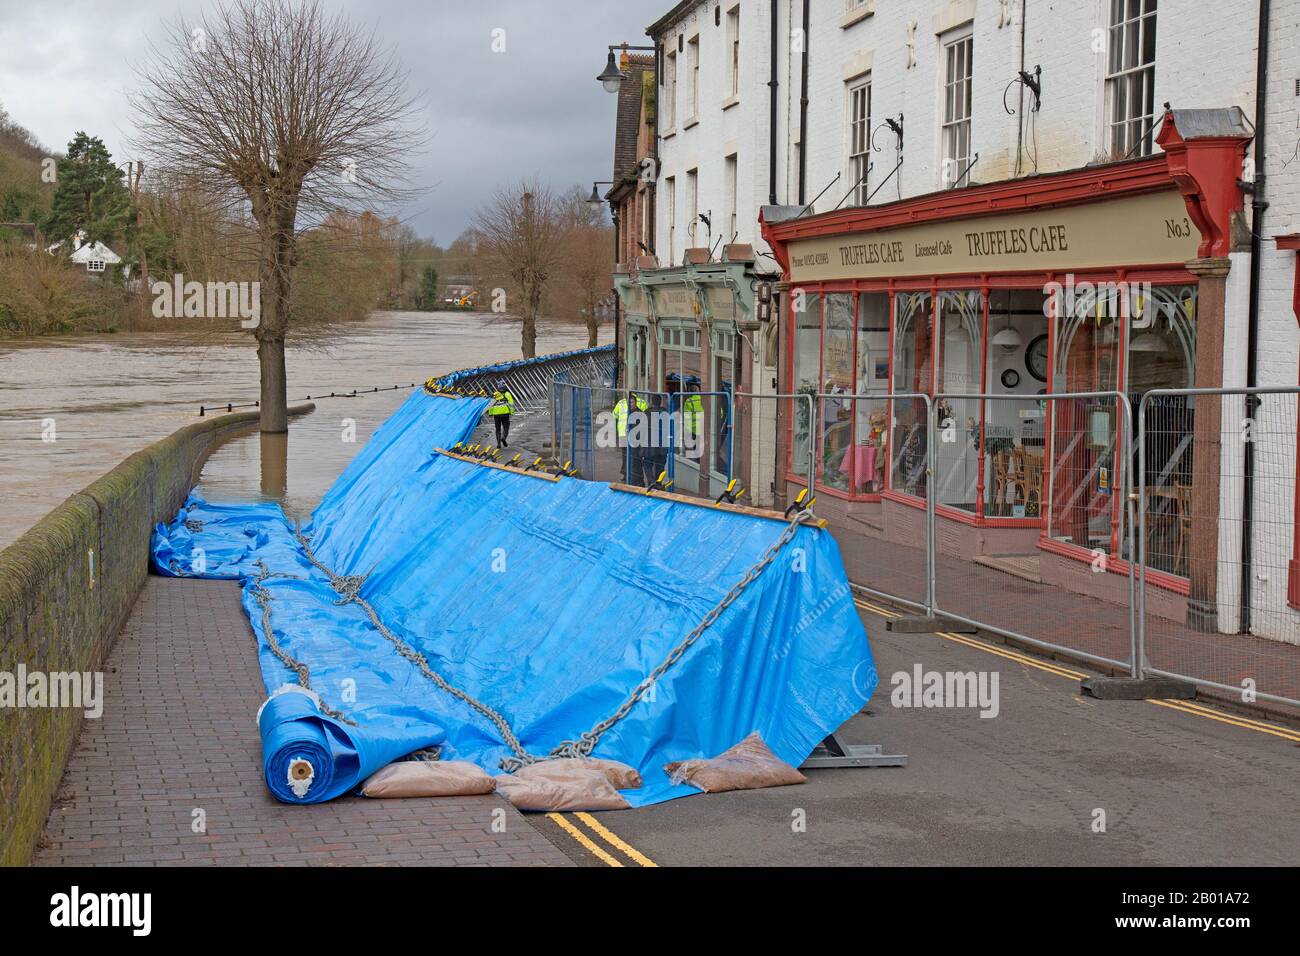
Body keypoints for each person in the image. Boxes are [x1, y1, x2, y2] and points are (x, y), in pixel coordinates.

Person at [612, 390, 648, 480]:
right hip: (636, 435)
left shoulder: (621, 403)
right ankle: (634, 476)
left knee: (625, 455)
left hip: (623, 433)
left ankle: (626, 475)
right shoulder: (642, 402)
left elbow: (614, 415)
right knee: (635, 455)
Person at [487, 380, 516, 446]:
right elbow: (511, 403)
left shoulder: (495, 394)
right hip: (505, 413)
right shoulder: (507, 394)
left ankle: (498, 444)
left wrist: (490, 413)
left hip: (496, 414)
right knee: (506, 427)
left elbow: (491, 404)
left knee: (497, 429)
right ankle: (503, 438)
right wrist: (511, 412)